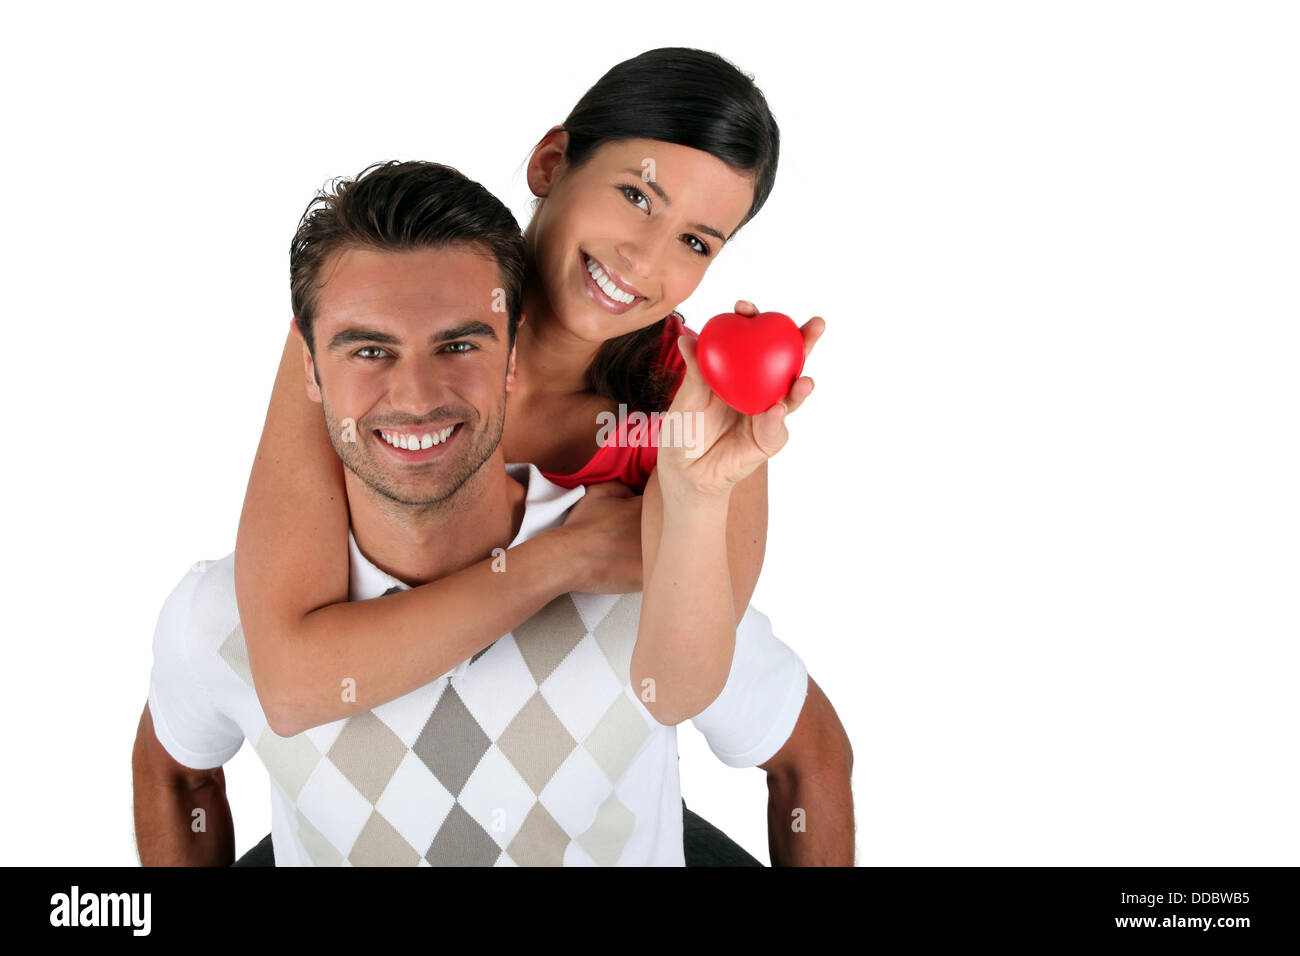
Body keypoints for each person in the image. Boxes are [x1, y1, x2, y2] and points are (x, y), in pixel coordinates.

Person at [132, 161, 854, 866]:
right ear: (310, 370)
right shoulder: (221, 623)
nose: (416, 395)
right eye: (370, 350)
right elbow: (176, 772)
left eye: (458, 344)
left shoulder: (645, 573)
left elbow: (806, 757)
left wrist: (697, 497)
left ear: (514, 360)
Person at [234, 46, 831, 741]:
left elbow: (674, 693)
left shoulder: (690, 409)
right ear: (551, 164)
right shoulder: (382, 305)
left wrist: (698, 495)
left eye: (695, 243)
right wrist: (560, 559)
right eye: (636, 197)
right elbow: (290, 686)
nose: (644, 259)